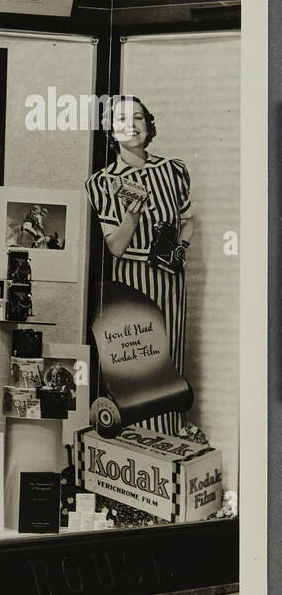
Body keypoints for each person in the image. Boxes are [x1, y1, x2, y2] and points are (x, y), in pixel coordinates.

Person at [84, 96, 195, 433]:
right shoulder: (101, 182)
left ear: (149, 126)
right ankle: (136, 442)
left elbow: (189, 219)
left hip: (169, 279)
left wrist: (181, 248)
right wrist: (133, 210)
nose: (131, 125)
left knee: (170, 357)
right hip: (129, 280)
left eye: (138, 118)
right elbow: (115, 247)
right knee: (133, 362)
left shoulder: (174, 170)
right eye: (121, 120)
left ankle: (169, 436)